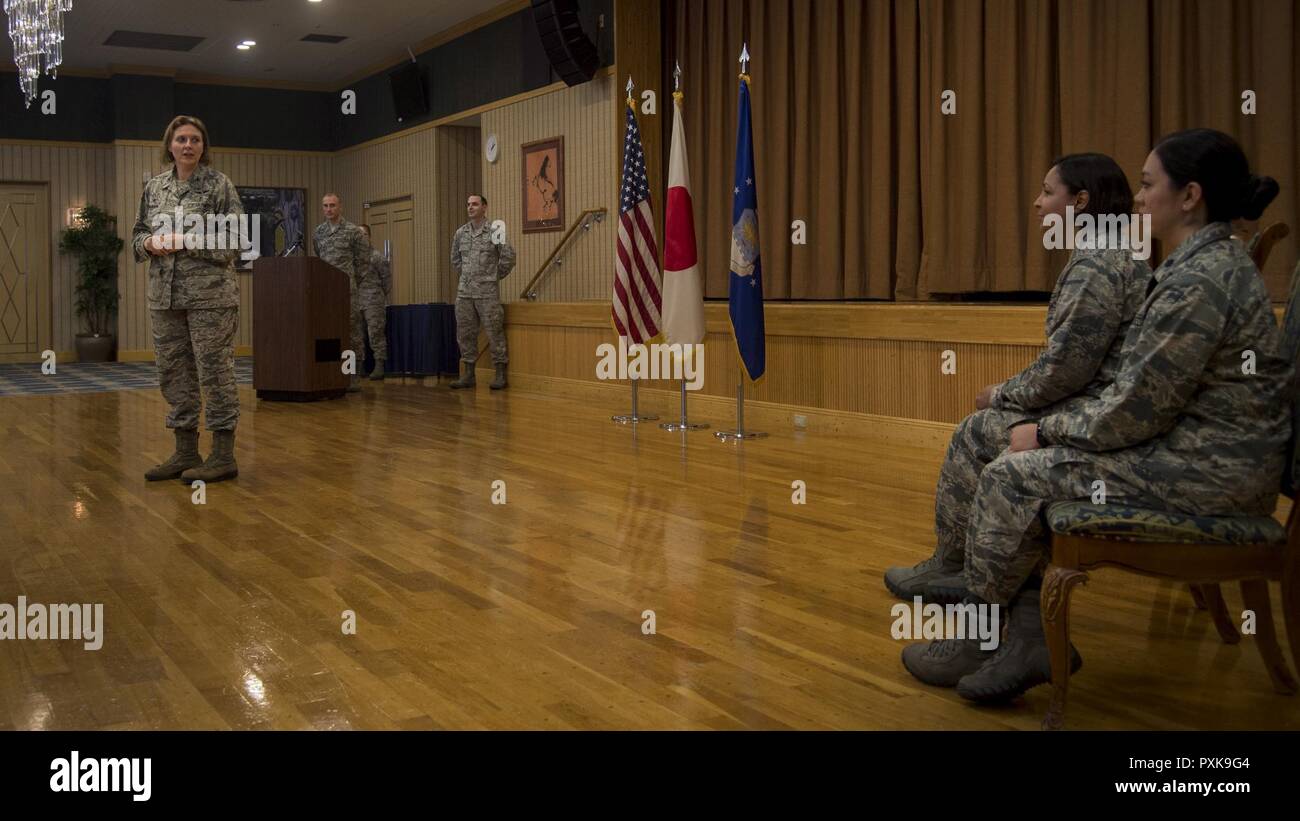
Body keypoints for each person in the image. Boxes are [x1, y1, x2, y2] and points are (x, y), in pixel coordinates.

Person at [902, 129, 1291, 703]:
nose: (1138, 197)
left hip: (1210, 475)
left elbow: (1133, 409)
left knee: (1013, 471)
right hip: (1195, 454)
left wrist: (1042, 429)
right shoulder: (1200, 265)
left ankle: (983, 635)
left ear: (1189, 197)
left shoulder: (1201, 280)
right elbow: (1136, 399)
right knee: (1022, 458)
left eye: (1148, 183)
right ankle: (1023, 633)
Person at [885, 154, 1152, 603]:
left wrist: (1000, 392)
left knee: (975, 431)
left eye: (1049, 192)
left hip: (1095, 416)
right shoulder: (1114, 251)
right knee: (988, 422)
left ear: (1081, 202)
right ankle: (968, 568)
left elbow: (1066, 370)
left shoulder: (1097, 265)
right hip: (1096, 405)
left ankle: (969, 573)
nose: (1037, 203)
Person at [134, 115, 245, 484]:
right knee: (173, 374)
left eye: (195, 140)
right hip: (164, 298)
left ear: (203, 146)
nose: (187, 145)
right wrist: (148, 243)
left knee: (214, 372)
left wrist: (186, 240)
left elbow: (235, 239)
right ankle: (185, 451)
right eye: (181, 139)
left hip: (210, 299)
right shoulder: (155, 189)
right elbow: (137, 235)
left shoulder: (218, 185)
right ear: (170, 145)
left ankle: (223, 455)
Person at [450, 194, 516, 390]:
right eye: (468, 204)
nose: (470, 207)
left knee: (494, 332)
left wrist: (493, 276)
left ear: (484, 207)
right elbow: (455, 259)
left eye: (475, 204)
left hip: (487, 293)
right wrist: (468, 277)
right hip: (465, 293)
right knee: (464, 334)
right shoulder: (460, 233)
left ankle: (500, 374)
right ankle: (469, 374)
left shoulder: (495, 229)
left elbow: (508, 256)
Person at [313, 193, 369, 392]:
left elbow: (363, 262)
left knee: (351, 332)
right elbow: (319, 257)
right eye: (325, 206)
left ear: (340, 207)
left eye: (332, 205)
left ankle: (353, 375)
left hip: (347, 291)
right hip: (326, 292)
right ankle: (331, 372)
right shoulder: (319, 232)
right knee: (328, 331)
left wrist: (351, 281)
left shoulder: (353, 232)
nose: (329, 209)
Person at [357, 224, 392, 380]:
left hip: (373, 302)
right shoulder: (352, 259)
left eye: (364, 234)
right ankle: (359, 367)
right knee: (356, 336)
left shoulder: (377, 257)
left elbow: (387, 281)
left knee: (375, 334)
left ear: (369, 236)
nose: (361, 237)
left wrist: (378, 296)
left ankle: (379, 366)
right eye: (358, 235)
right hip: (356, 302)